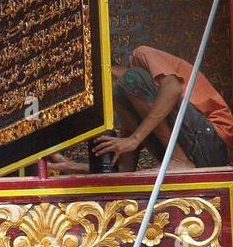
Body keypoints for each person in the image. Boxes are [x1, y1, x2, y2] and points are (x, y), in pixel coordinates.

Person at [49, 45, 233, 174]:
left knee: (131, 79)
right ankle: (177, 160)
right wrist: (74, 166)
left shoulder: (140, 57)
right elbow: (125, 168)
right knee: (121, 91)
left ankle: (178, 160)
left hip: (212, 141)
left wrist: (135, 139)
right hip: (196, 155)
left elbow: (173, 89)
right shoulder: (129, 97)